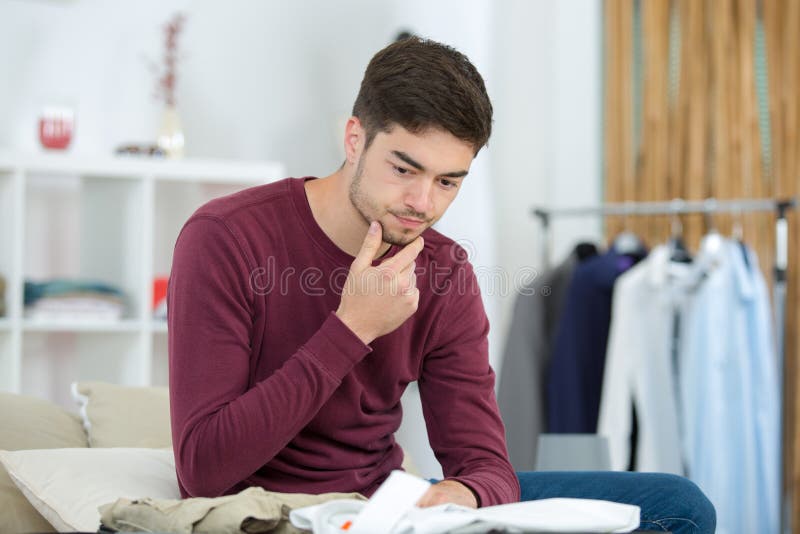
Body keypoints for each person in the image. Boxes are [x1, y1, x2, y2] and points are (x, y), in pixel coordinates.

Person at [167, 36, 716, 532]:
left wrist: (465, 493)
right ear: (354, 138)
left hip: (391, 510)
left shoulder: (444, 271)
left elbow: (485, 462)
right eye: (405, 169)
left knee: (677, 505)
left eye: (448, 181)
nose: (423, 204)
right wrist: (352, 327)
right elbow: (203, 472)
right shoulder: (225, 238)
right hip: (276, 512)